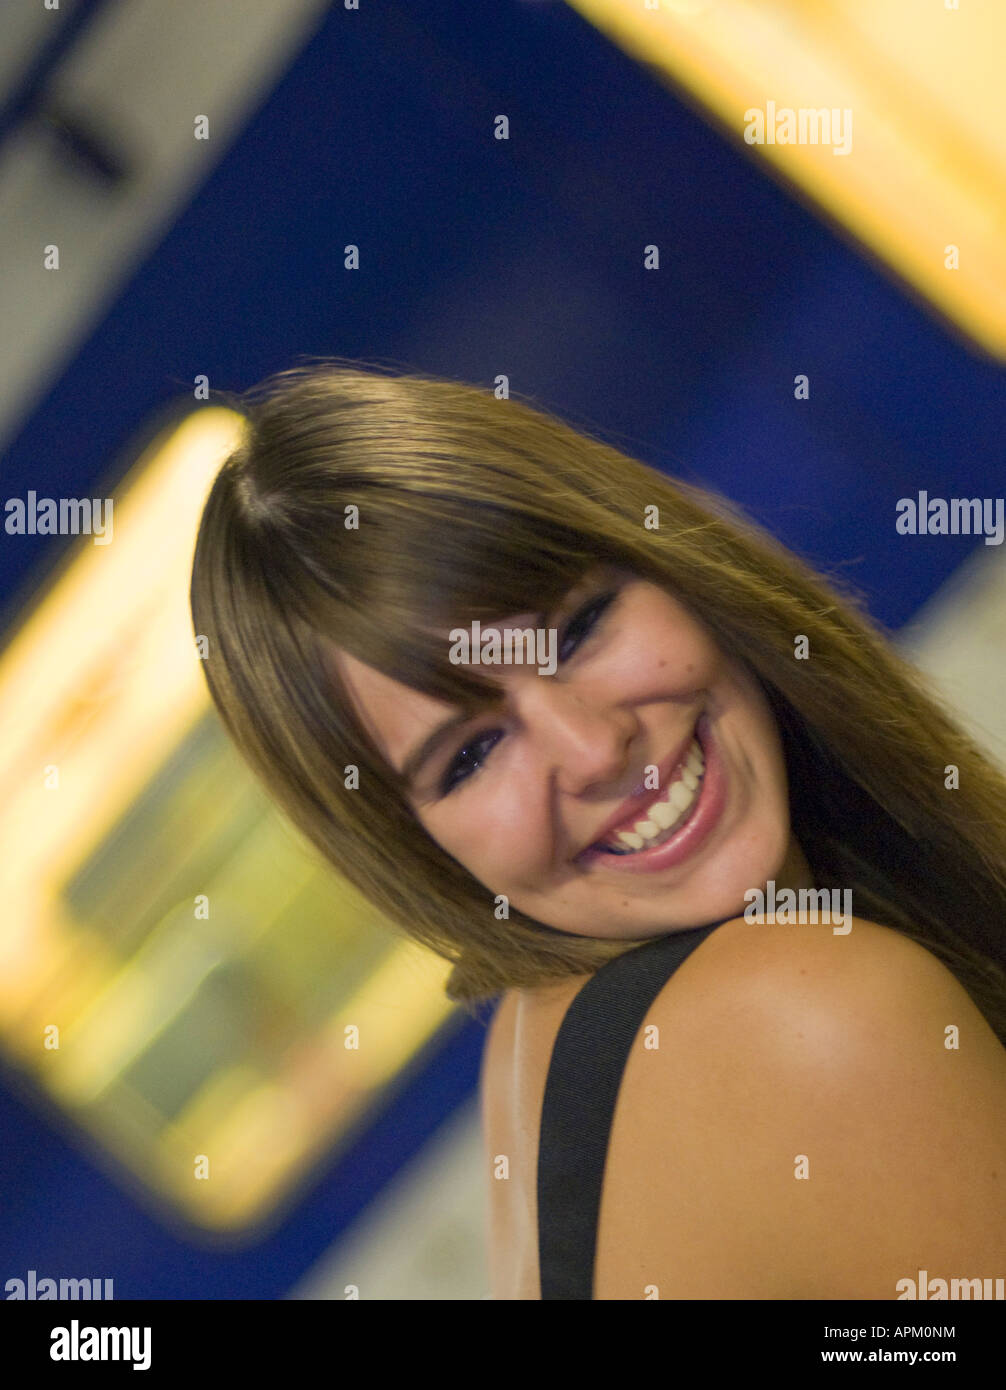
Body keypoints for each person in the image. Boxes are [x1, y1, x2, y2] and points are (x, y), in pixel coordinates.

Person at [190, 357, 1006, 1300]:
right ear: (415, 849)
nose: (593, 748)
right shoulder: (805, 1011)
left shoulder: (543, 1052)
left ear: (670, 561)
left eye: (578, 630)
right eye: (470, 754)